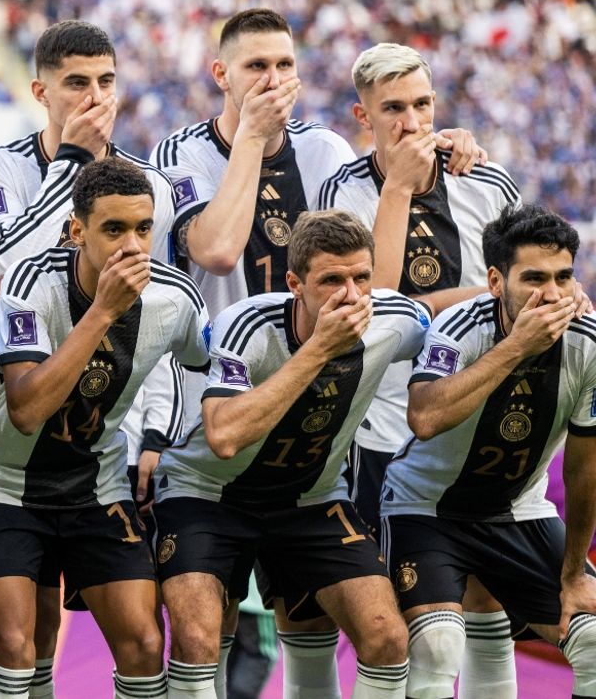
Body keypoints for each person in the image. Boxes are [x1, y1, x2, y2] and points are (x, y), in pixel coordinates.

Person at [149, 9, 482, 695]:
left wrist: (437, 141)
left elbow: (378, 276)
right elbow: (213, 250)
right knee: (204, 633)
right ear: (221, 75)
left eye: (285, 66)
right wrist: (252, 138)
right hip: (218, 408)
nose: (274, 80)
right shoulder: (176, 155)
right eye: (255, 67)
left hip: (319, 435)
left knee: (313, 624)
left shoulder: (326, 152)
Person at [0, 21, 183, 694]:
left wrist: (155, 432)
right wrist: (69, 161)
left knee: (145, 636)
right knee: (25, 639)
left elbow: (164, 318)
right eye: (76, 83)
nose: (95, 96)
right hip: (14, 433)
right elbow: (14, 269)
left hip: (103, 448)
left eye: (106, 81)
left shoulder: (150, 186)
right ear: (41, 90)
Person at [317, 42, 532, 691]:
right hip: (381, 431)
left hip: (475, 421)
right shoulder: (343, 191)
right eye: (393, 110)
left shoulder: (486, 181)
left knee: (488, 607)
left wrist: (435, 306)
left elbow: (525, 295)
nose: (412, 123)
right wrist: (400, 191)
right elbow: (372, 313)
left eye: (422, 105)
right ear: (364, 116)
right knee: (409, 628)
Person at [0, 157, 209, 699]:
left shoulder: (176, 297)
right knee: (19, 647)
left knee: (143, 645)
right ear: (78, 231)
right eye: (113, 229)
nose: (133, 246)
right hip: (2, 482)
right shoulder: (30, 281)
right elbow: (25, 410)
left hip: (97, 485)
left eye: (143, 229)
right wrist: (102, 312)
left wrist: (160, 443)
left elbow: (209, 369)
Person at [154, 209, 431, 698]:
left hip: (311, 499)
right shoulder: (248, 324)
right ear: (294, 282)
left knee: (387, 637)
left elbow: (445, 323)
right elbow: (223, 436)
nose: (351, 294)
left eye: (362, 277)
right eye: (331, 280)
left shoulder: (391, 318)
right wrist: (317, 350)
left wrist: (533, 301)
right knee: (199, 640)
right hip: (207, 495)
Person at [382, 205, 596, 698]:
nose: (553, 294)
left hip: (518, 511)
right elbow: (426, 418)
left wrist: (574, 574)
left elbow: (585, 473)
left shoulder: (587, 343)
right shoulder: (461, 327)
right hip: (426, 507)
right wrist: (517, 347)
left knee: (592, 640)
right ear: (496, 281)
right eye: (534, 278)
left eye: (564, 277)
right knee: (437, 645)